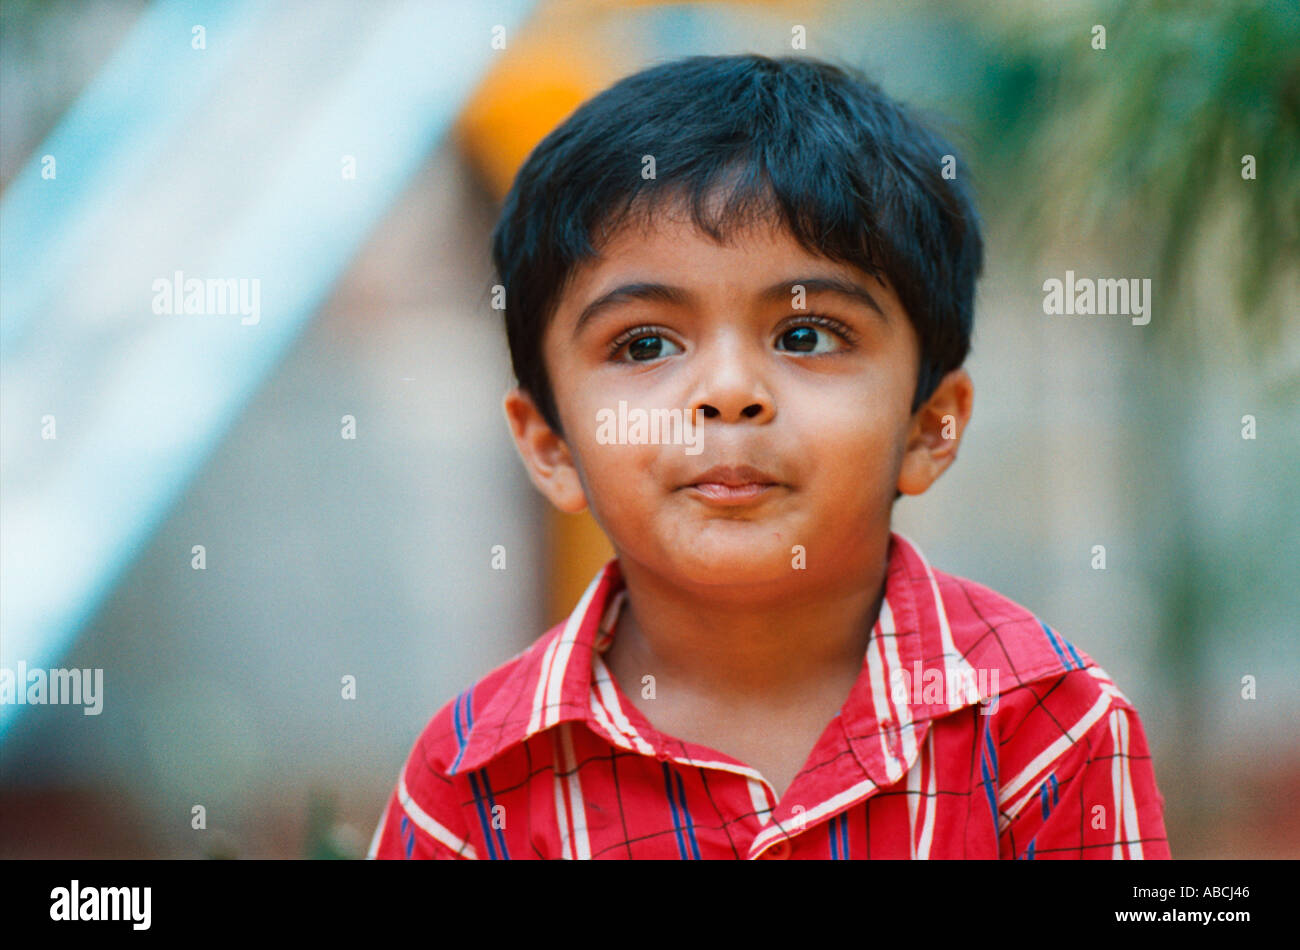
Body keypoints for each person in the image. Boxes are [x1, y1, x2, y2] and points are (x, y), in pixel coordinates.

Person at [370, 53, 1170, 859]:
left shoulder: (1048, 731)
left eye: (806, 335)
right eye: (645, 343)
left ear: (929, 427)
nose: (728, 392)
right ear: (552, 448)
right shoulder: (474, 783)